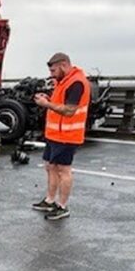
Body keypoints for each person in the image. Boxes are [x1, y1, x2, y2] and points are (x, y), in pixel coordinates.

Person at [32, 52, 90, 221]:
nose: (51, 75)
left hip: (68, 134)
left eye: (53, 71)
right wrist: (48, 98)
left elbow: (70, 110)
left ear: (64, 65)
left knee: (63, 170)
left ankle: (62, 206)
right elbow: (61, 104)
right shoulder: (62, 81)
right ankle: (50, 200)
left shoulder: (77, 82)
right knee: (50, 166)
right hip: (55, 133)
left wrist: (47, 104)